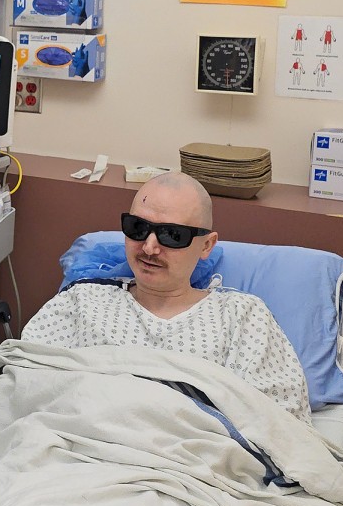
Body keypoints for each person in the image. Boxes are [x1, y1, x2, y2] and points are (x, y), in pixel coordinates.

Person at [21, 172, 311, 423]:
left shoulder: (243, 317)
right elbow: (20, 381)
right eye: (137, 228)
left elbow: (282, 423)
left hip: (194, 461)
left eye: (172, 235)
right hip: (79, 450)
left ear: (206, 245)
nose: (149, 248)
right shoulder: (82, 300)